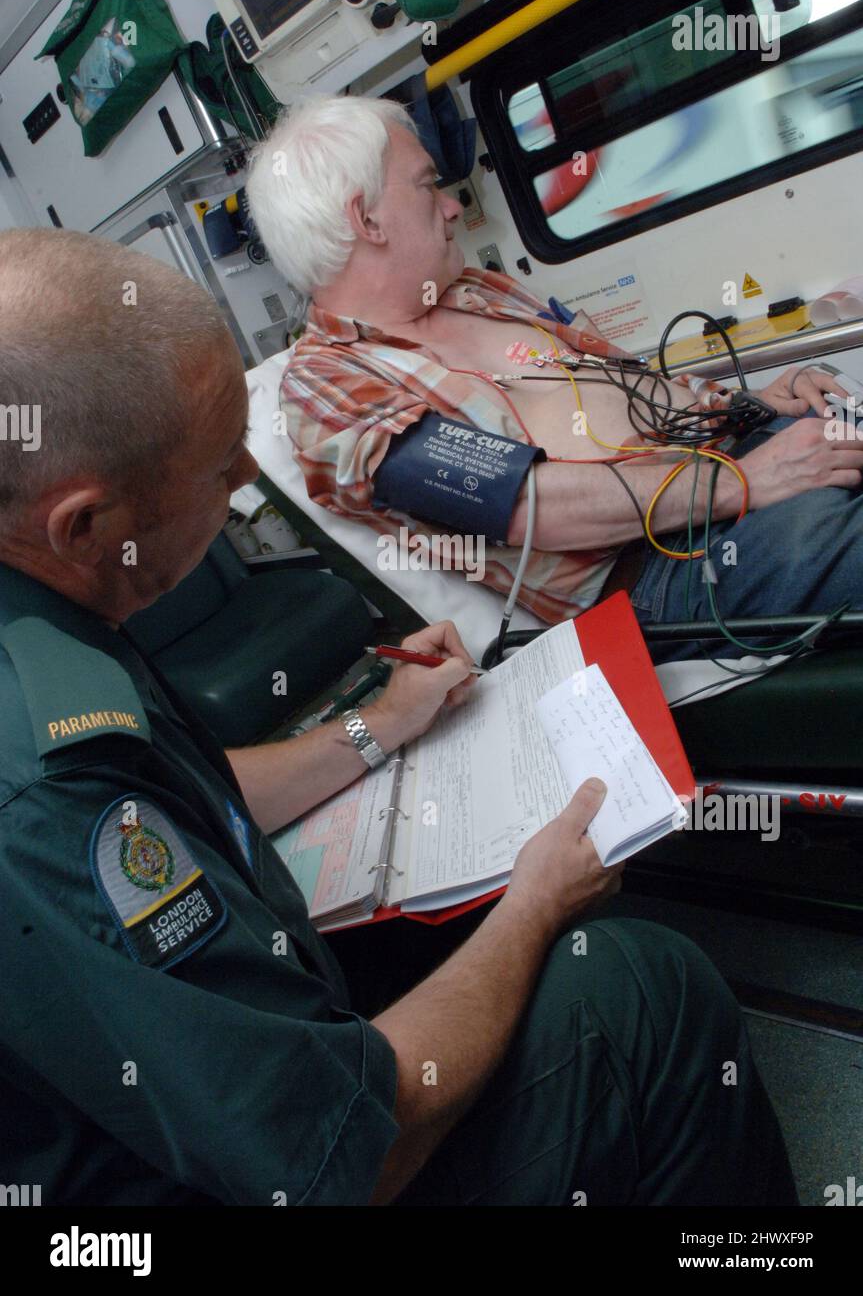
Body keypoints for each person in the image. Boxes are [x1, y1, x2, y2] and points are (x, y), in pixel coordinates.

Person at [0, 228, 796, 1206]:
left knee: (429, 946)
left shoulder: (47, 619)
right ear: (84, 525)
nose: (247, 480)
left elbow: (185, 790)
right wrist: (535, 902)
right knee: (638, 989)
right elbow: (331, 1156)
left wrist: (379, 723)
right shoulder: (43, 777)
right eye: (217, 469)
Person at [246, 94, 863, 644]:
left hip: (734, 460)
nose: (452, 207)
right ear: (367, 219)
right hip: (667, 559)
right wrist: (743, 483)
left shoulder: (473, 288)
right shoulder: (328, 389)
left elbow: (628, 386)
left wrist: (750, 402)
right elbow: (520, 501)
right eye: (426, 185)